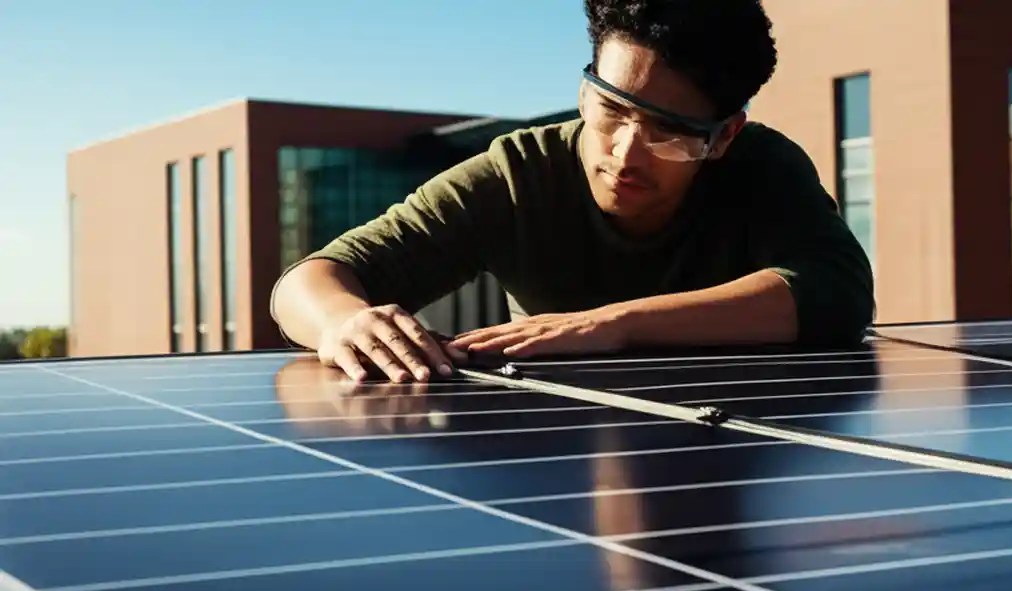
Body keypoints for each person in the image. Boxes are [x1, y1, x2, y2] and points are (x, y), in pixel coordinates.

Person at [270, 0, 875, 384]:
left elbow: (838, 292)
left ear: (722, 138)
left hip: (733, 435)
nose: (626, 152)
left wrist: (611, 325)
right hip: (562, 444)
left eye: (670, 131)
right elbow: (309, 281)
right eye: (611, 109)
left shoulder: (760, 165)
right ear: (584, 91)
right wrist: (342, 322)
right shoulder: (521, 173)